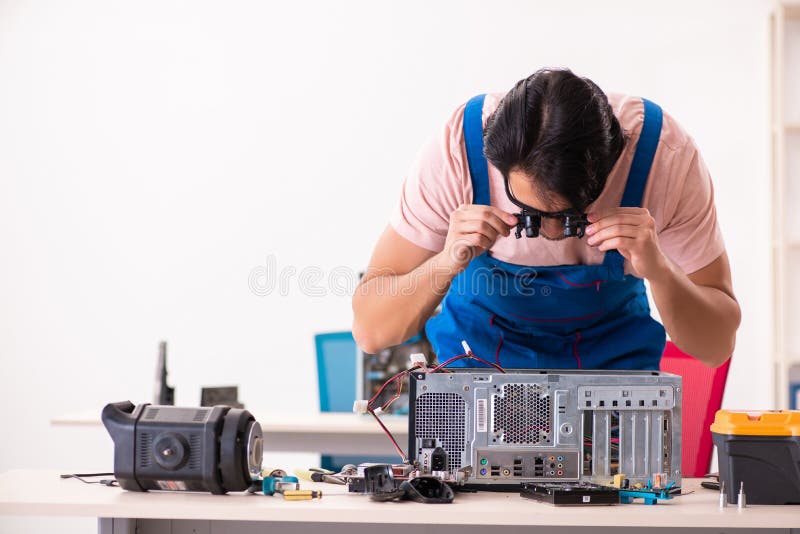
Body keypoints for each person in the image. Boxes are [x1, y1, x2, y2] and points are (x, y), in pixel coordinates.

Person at [352, 68, 740, 370]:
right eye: (531, 215)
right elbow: (371, 331)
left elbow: (716, 347)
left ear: (613, 164)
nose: (552, 233)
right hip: (474, 393)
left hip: (613, 407)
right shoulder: (457, 153)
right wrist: (447, 260)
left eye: (571, 216)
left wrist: (659, 271)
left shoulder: (664, 159)